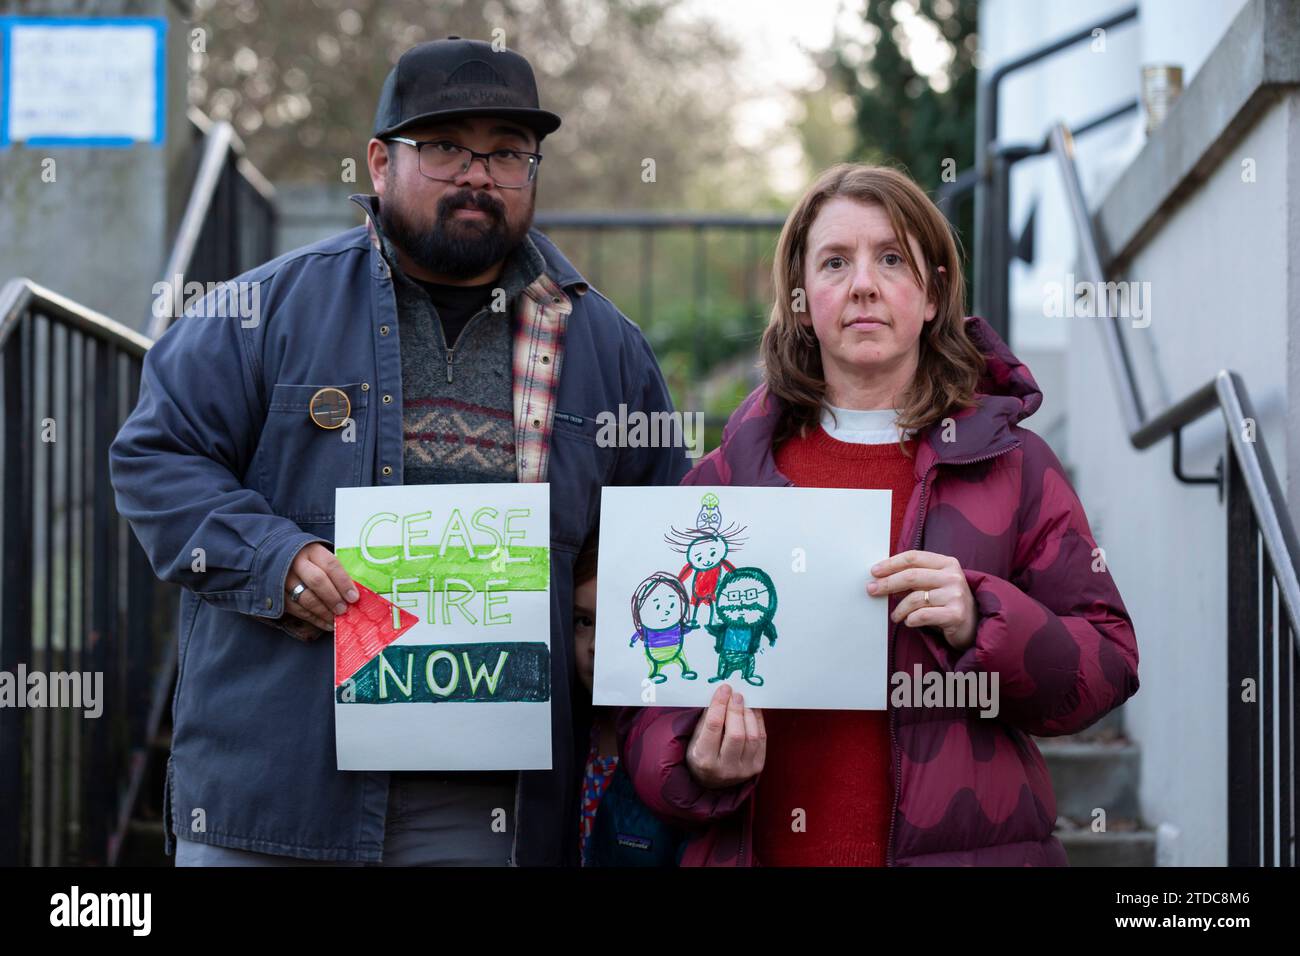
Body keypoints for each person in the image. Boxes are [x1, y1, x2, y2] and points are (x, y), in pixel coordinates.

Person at [109, 36, 689, 866]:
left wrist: (604, 614)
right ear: (380, 162)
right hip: (279, 799)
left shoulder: (607, 349)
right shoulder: (263, 312)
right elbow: (156, 458)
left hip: (492, 811)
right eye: (446, 146)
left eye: (508, 153)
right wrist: (274, 557)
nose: (478, 174)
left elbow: (655, 533)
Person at [618, 163, 1139, 866]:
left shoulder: (1015, 466)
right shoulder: (722, 482)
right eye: (835, 262)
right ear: (802, 302)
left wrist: (982, 618)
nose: (863, 283)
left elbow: (1105, 663)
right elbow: (645, 702)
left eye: (891, 258)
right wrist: (694, 762)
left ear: (932, 295)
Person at [572, 536, 687, 866]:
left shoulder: (674, 741)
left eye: (614, 622)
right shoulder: (571, 733)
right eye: (583, 621)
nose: (595, 645)